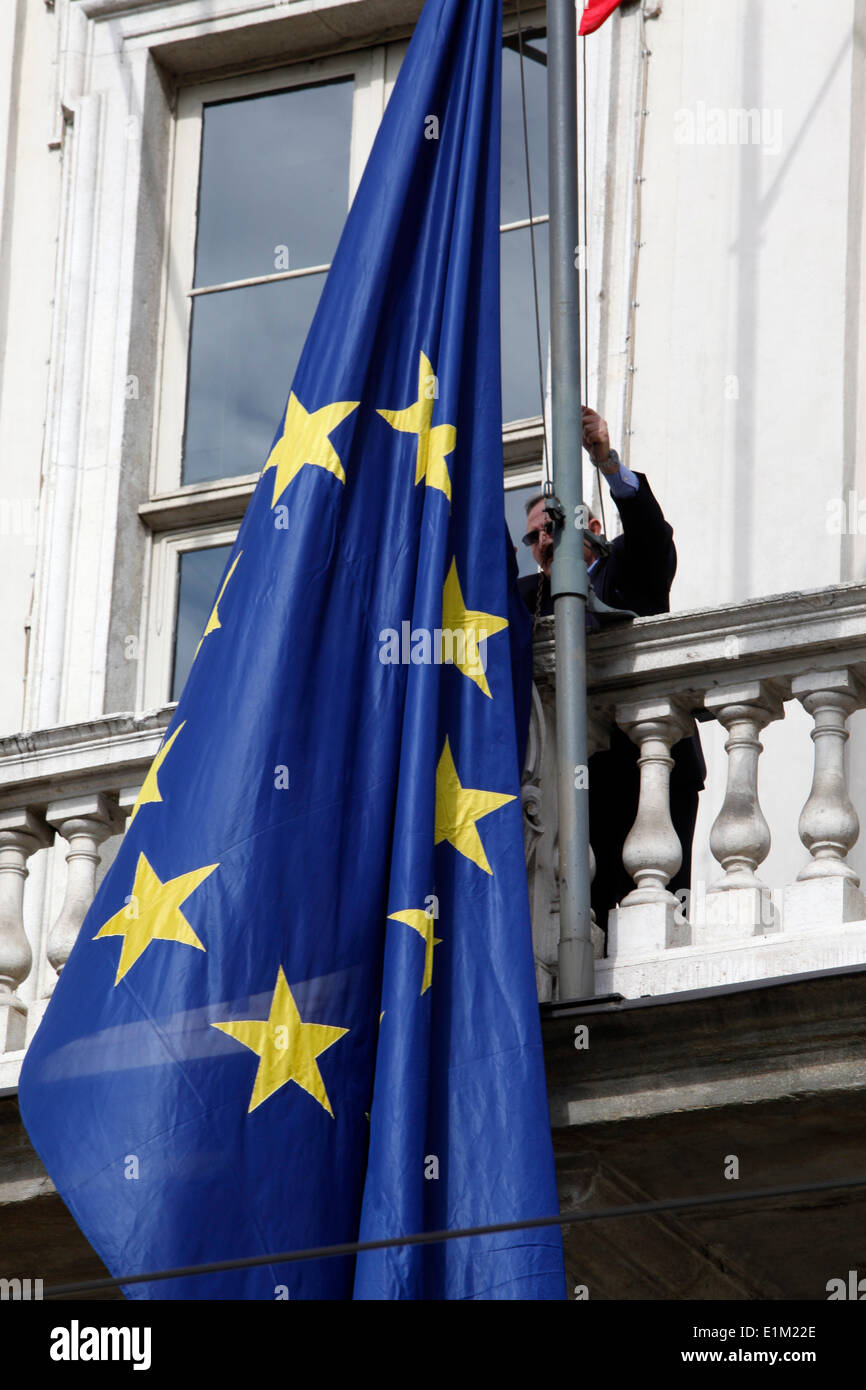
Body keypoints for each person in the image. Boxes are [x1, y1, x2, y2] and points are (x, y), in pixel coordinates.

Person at [517, 406, 706, 941]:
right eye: (534, 538)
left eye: (552, 527)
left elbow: (653, 537)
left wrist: (606, 464)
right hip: (567, 781)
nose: (544, 543)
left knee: (650, 918)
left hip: (646, 768)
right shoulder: (526, 598)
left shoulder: (626, 562)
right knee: (580, 929)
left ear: (590, 526)